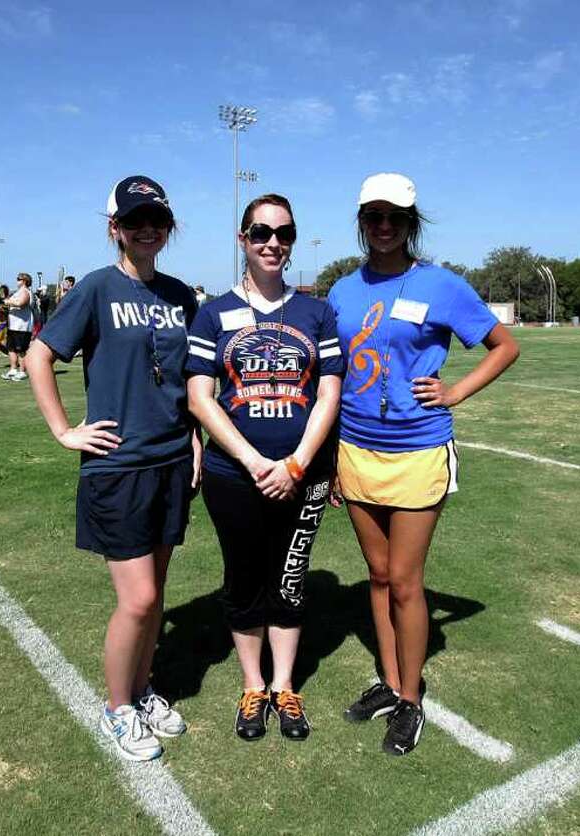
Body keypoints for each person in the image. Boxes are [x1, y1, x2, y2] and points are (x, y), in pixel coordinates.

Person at [327, 173, 519, 755]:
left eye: (395, 217)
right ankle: (388, 682)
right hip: (356, 448)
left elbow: (504, 346)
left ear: (411, 222)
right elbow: (332, 371)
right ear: (362, 221)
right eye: (374, 216)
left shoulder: (441, 284)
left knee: (407, 583)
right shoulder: (342, 288)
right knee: (378, 577)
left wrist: (456, 392)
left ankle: (411, 700)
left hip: (417, 450)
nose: (383, 226)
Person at [25, 175, 200, 762]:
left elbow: (189, 380)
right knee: (140, 598)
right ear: (114, 228)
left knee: (160, 589)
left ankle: (143, 687)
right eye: (134, 220)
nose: (146, 228)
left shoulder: (181, 295)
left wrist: (196, 439)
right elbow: (39, 355)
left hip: (174, 461)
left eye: (156, 219)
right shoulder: (97, 288)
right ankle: (117, 708)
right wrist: (63, 429)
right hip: (118, 467)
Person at [186, 194, 344, 741]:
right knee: (245, 578)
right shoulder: (213, 312)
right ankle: (253, 687)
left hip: (304, 475)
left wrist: (297, 464)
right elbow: (201, 397)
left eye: (283, 233)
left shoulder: (316, 311)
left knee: (291, 581)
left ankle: (284, 687)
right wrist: (255, 462)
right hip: (236, 477)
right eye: (260, 232)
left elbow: (329, 394)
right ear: (242, 240)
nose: (272, 243)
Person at [2, 273, 33, 381]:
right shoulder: (17, 292)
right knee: (11, 348)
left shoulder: (25, 292)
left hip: (22, 326)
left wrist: (8, 301)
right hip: (13, 326)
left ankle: (22, 371)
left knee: (21, 350)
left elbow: (21, 303)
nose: (17, 281)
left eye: (19, 279)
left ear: (24, 281)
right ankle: (13, 369)